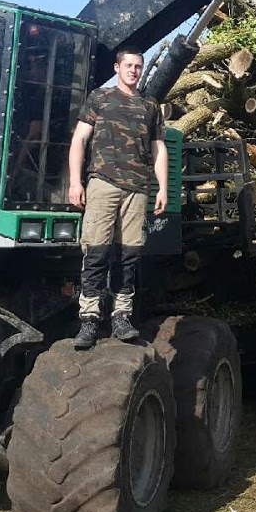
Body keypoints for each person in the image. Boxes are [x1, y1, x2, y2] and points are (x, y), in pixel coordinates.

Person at [67, 46, 167, 350]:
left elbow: (158, 148)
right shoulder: (100, 98)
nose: (134, 70)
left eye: (138, 66)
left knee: (129, 254)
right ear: (117, 67)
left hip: (137, 188)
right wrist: (75, 182)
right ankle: (89, 319)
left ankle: (121, 315)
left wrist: (162, 187)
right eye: (129, 65)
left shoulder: (150, 106)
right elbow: (79, 139)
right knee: (96, 251)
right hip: (103, 183)